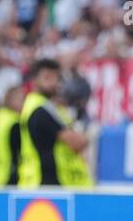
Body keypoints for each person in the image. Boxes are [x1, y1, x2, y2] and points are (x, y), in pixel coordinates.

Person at [18, 59, 92, 188]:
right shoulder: (43, 109)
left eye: (56, 78)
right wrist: (85, 137)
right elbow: (78, 143)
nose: (53, 83)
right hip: (47, 182)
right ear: (35, 81)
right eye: (47, 78)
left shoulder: (32, 104)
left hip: (35, 181)